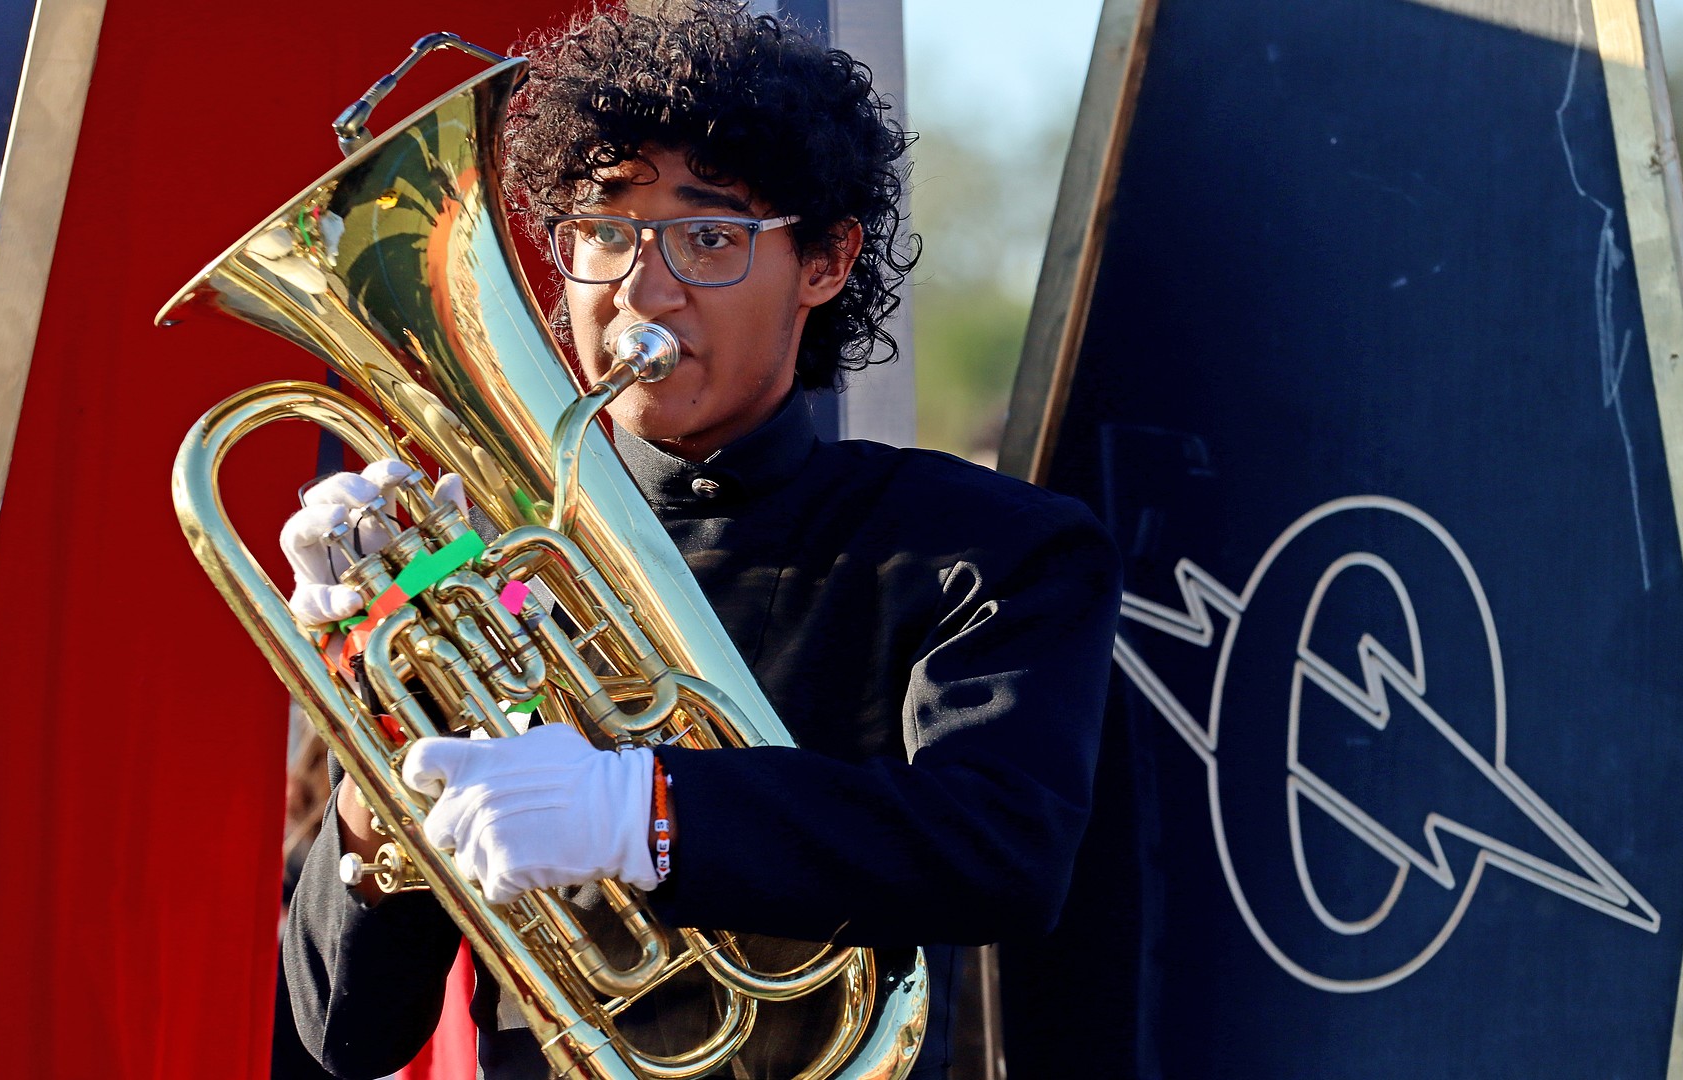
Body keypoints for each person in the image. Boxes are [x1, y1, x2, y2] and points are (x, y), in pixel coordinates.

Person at [280, 3, 1123, 1077]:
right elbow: (347, 1032)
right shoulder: (489, 559)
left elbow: (1004, 851)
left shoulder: (989, 546)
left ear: (824, 262)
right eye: (604, 234)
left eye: (710, 238)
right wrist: (380, 759)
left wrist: (652, 809)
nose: (642, 288)